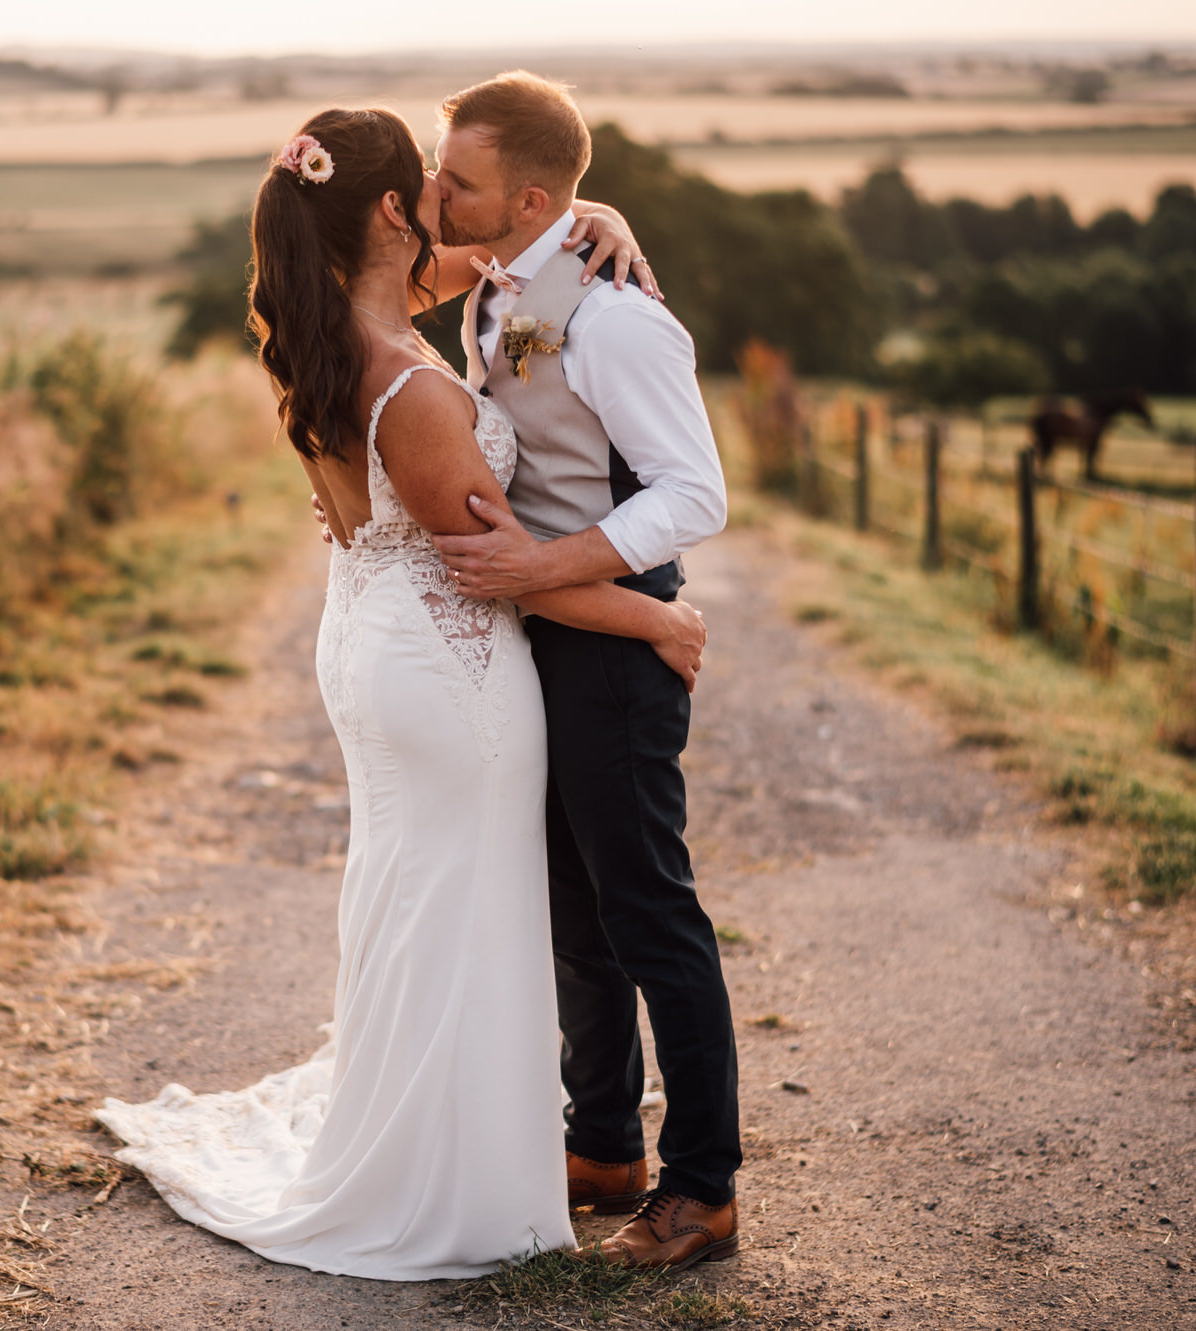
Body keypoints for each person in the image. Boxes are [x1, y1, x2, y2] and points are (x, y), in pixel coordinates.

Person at [96, 102, 707, 1280]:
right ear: (389, 210)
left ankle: (502, 1136)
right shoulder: (411, 391)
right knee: (465, 897)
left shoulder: (338, 326)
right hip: (443, 665)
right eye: (427, 179)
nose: (442, 191)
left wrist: (592, 212)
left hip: (375, 644)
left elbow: (514, 243)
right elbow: (504, 568)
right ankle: (455, 1174)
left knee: (423, 888)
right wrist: (654, 615)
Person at [427, 71, 740, 1271]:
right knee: (573, 908)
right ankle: (602, 1143)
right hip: (537, 623)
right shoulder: (505, 270)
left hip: (609, 632)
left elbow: (695, 491)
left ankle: (701, 1188)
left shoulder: (615, 318)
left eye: (454, 179)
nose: (433, 191)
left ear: (528, 196)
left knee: (649, 908)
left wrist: (544, 564)